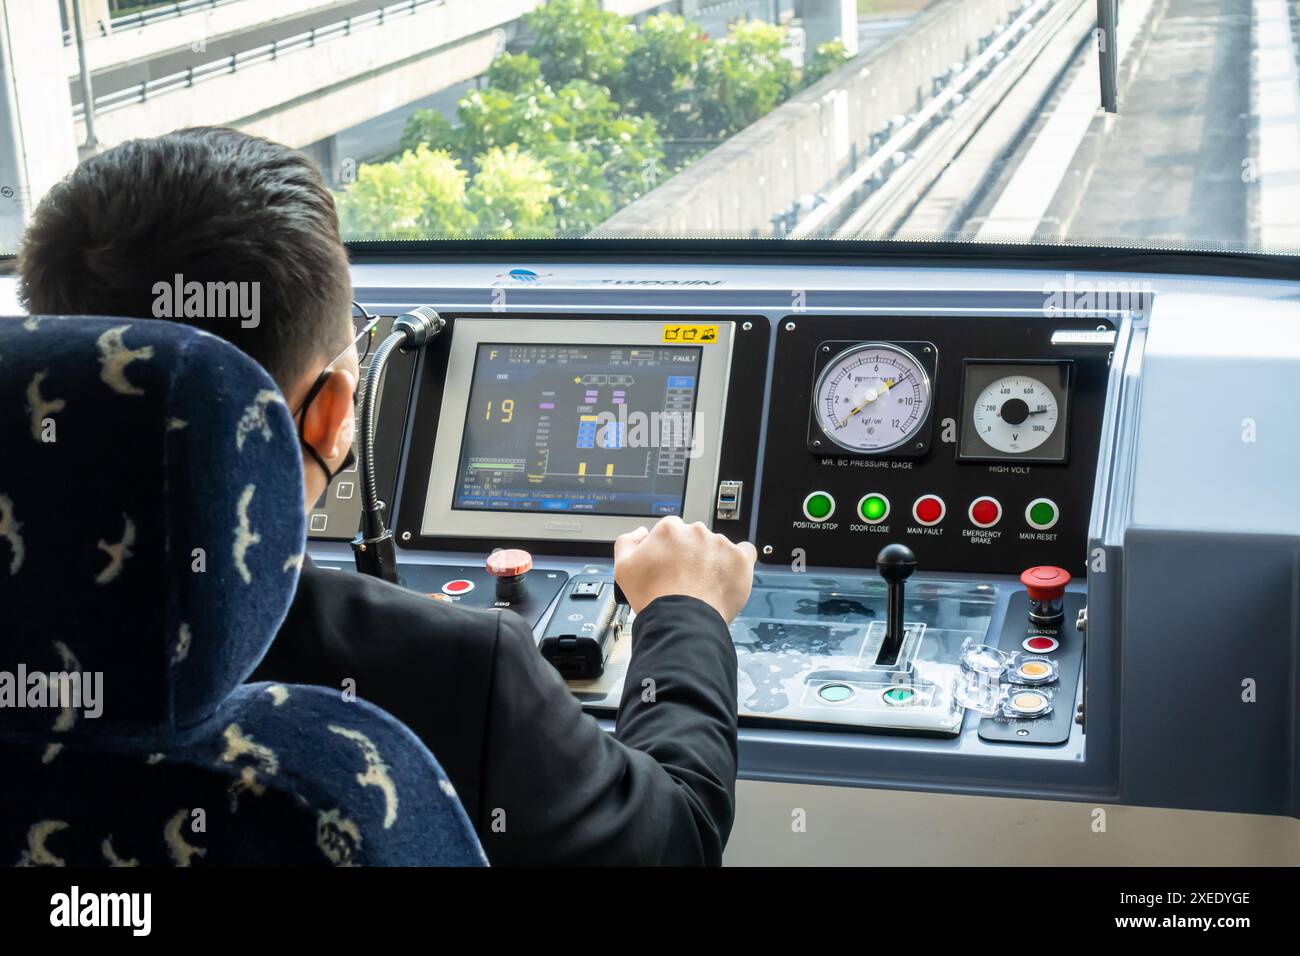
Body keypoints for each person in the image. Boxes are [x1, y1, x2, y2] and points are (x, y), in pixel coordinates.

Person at [15, 127, 757, 865]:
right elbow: (674, 839)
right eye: (356, 346)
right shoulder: (457, 672)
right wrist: (684, 611)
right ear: (336, 412)